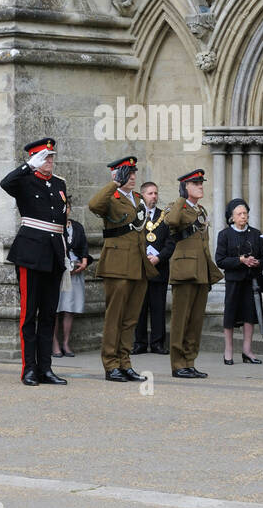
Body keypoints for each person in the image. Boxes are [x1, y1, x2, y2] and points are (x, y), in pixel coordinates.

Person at [0, 138, 69, 386]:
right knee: (29, 314)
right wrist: (28, 166)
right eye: (45, 157)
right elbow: (5, 183)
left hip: (53, 254)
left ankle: (46, 368)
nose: (50, 161)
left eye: (51, 157)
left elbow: (61, 223)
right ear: (34, 158)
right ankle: (29, 369)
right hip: (31, 252)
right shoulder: (24, 180)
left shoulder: (59, 183)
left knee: (49, 314)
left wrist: (66, 253)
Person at [88, 156, 153, 383]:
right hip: (117, 264)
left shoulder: (137, 198)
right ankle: (111, 364)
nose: (133, 176)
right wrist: (115, 183)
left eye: (134, 172)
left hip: (138, 264)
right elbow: (94, 205)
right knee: (114, 317)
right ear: (117, 175)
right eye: (127, 173)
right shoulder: (111, 197)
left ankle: (125, 362)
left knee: (130, 319)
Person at [164, 169, 223, 379]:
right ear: (186, 187)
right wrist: (181, 198)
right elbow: (171, 222)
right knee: (181, 320)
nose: (200, 186)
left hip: (201, 271)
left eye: (201, 183)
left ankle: (189, 361)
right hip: (184, 271)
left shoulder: (201, 211)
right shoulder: (175, 207)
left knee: (196, 320)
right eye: (196, 183)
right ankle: (178, 363)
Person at [215, 197, 263, 366]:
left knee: (249, 316)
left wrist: (257, 262)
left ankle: (247, 351)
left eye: (245, 213)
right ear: (232, 217)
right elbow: (220, 260)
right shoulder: (224, 235)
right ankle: (228, 351)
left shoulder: (256, 234)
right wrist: (240, 260)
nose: (244, 216)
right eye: (240, 214)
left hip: (251, 282)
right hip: (233, 282)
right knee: (230, 316)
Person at [132, 181, 174, 355]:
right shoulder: (136, 215)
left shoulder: (165, 216)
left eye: (156, 193)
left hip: (159, 269)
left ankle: (157, 343)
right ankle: (139, 343)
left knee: (158, 308)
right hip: (140, 269)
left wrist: (158, 258)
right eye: (150, 193)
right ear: (142, 195)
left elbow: (170, 243)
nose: (154, 196)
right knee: (139, 308)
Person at [53, 198, 90, 359]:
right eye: (62, 207)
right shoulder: (53, 226)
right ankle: (54, 343)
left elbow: (84, 247)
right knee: (54, 308)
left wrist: (84, 262)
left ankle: (66, 343)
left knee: (69, 308)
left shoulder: (77, 226)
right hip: (56, 271)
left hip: (75, 270)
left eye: (67, 207)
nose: (65, 210)